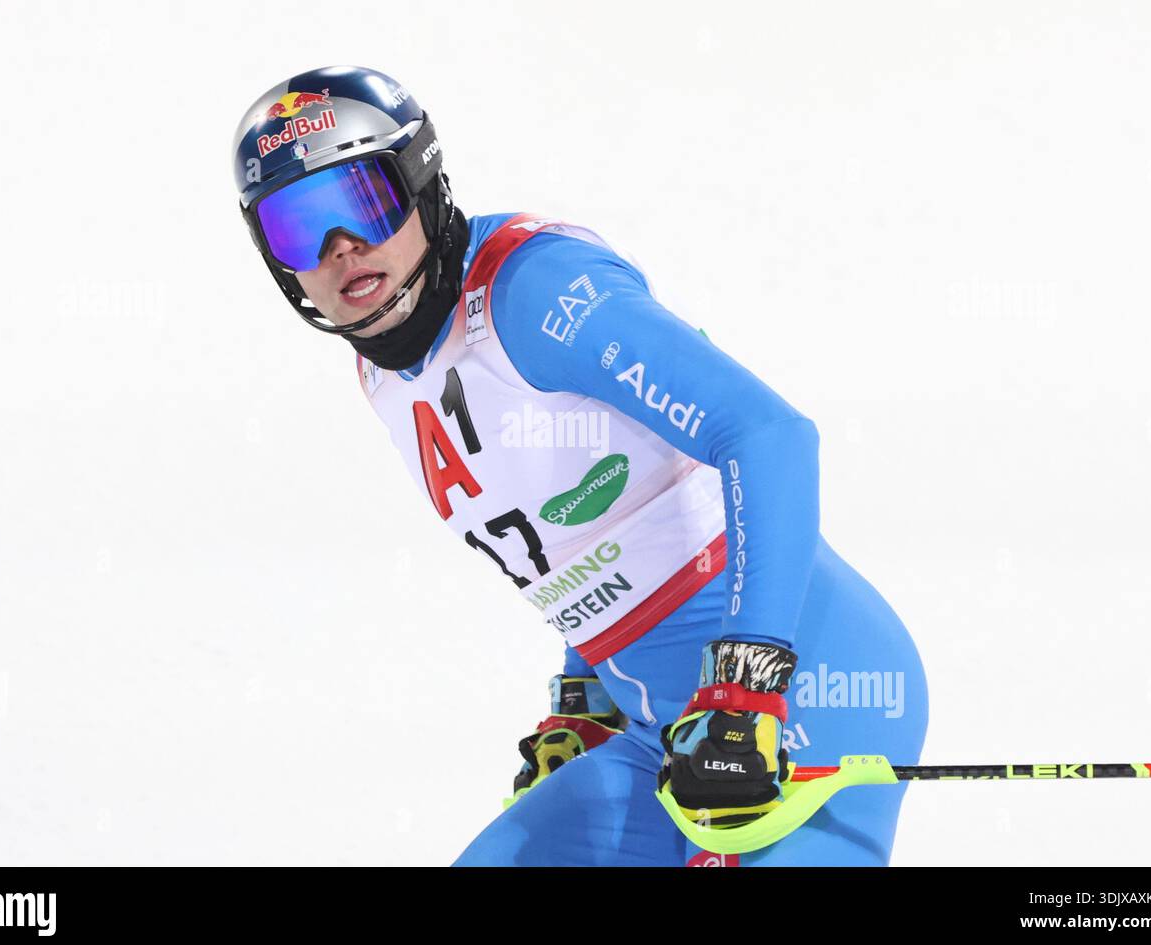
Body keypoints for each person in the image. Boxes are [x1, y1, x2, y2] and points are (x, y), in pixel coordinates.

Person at [231, 65, 928, 866]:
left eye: (361, 202)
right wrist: (583, 702)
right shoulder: (386, 373)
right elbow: (585, 543)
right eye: (295, 227)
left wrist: (748, 687)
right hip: (662, 730)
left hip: (812, 695)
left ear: (421, 182)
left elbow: (768, 435)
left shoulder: (536, 291)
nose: (339, 248)